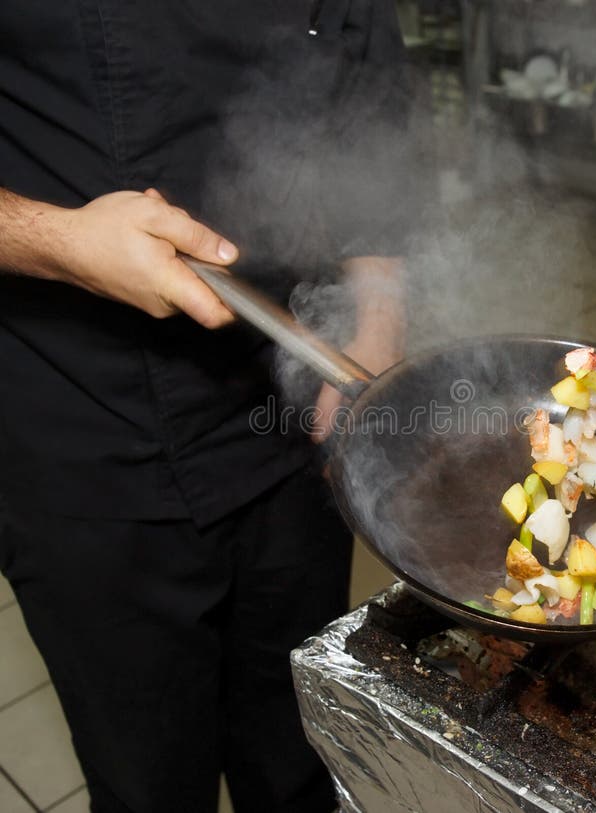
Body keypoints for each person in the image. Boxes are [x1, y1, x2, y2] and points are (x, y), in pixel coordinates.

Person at [0, 2, 417, 811]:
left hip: (292, 398)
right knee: (149, 787)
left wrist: (381, 305)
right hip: (83, 421)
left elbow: (371, 80)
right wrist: (55, 239)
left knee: (301, 764)